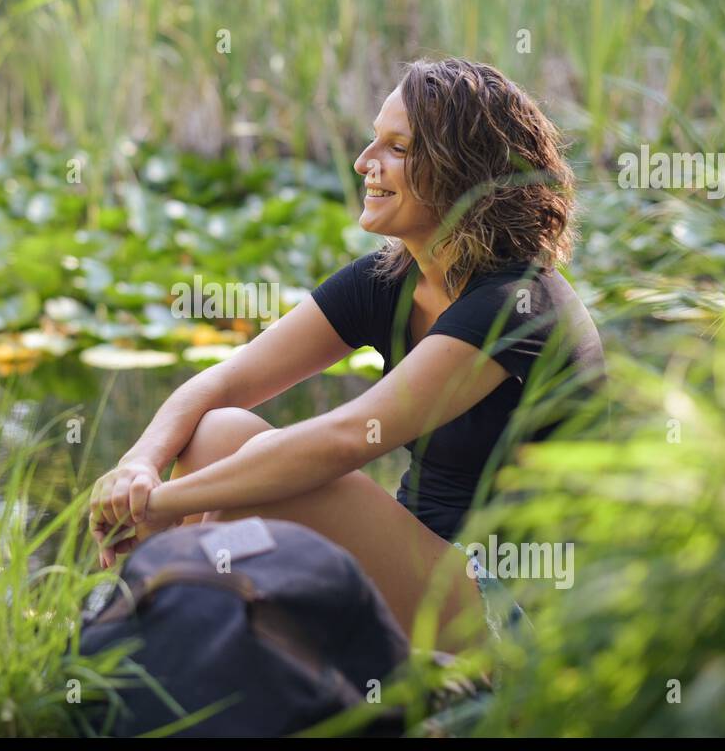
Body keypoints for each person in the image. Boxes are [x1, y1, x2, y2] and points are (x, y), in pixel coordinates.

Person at [89, 56, 605, 652]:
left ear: (463, 172)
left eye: (397, 147)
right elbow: (223, 382)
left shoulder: (517, 305)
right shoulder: (391, 280)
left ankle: (160, 645)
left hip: (514, 614)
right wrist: (137, 469)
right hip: (424, 570)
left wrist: (163, 505)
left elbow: (345, 438)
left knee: (277, 473)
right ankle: (160, 644)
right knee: (220, 431)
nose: (365, 162)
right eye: (372, 140)